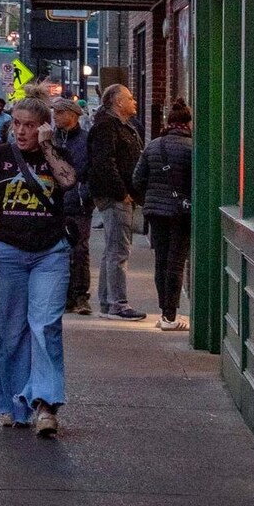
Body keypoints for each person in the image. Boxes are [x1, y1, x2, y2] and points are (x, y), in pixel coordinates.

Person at [0, 97, 79, 436]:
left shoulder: (56, 154)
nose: (20, 131)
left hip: (50, 252)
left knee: (45, 325)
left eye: (30, 125)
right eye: (16, 123)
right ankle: (16, 404)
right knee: (10, 331)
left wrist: (47, 147)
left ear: (43, 127)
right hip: (9, 252)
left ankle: (46, 405)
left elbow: (68, 182)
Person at [133, 99, 194, 329]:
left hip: (155, 212)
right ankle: (171, 316)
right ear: (188, 122)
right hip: (180, 213)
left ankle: (164, 312)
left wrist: (148, 200)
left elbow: (137, 179)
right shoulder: (191, 148)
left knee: (161, 261)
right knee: (176, 263)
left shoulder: (153, 146)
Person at [86, 83, 145, 318]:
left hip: (119, 195)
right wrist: (121, 192)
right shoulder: (107, 126)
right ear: (118, 102)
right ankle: (117, 303)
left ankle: (107, 302)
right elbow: (104, 163)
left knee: (113, 249)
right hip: (114, 197)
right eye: (130, 98)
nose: (134, 101)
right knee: (119, 250)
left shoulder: (121, 125)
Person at [49, 98, 93, 315]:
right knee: (57, 250)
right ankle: (64, 296)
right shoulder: (50, 139)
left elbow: (92, 169)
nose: (55, 116)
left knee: (79, 249)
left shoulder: (86, 140)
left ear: (73, 115)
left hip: (78, 202)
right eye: (54, 112)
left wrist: (85, 193)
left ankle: (80, 296)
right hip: (54, 203)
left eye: (60, 112)